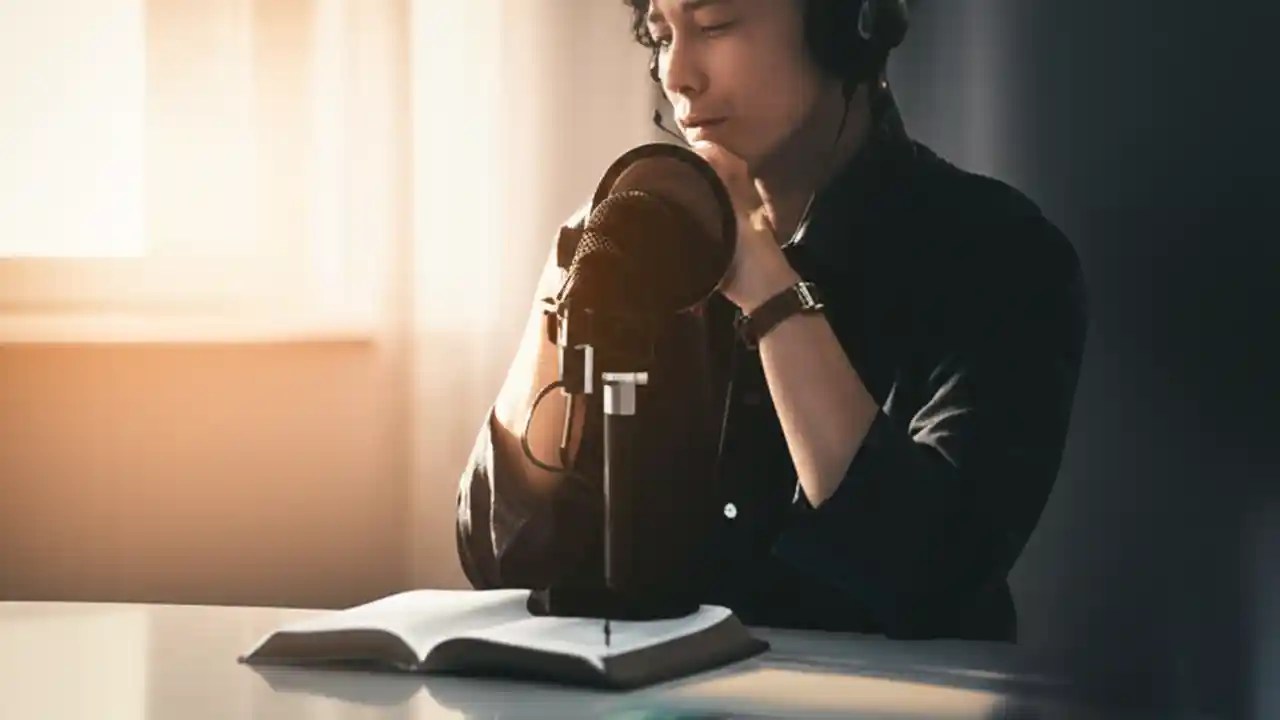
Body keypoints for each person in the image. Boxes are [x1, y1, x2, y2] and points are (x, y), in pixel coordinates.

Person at [456, 0, 1088, 641]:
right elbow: (503, 555)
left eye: (715, 26)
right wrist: (572, 270)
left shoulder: (1000, 252)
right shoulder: (641, 242)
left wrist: (770, 290)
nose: (676, 74)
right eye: (661, 35)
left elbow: (928, 577)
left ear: (846, 24)